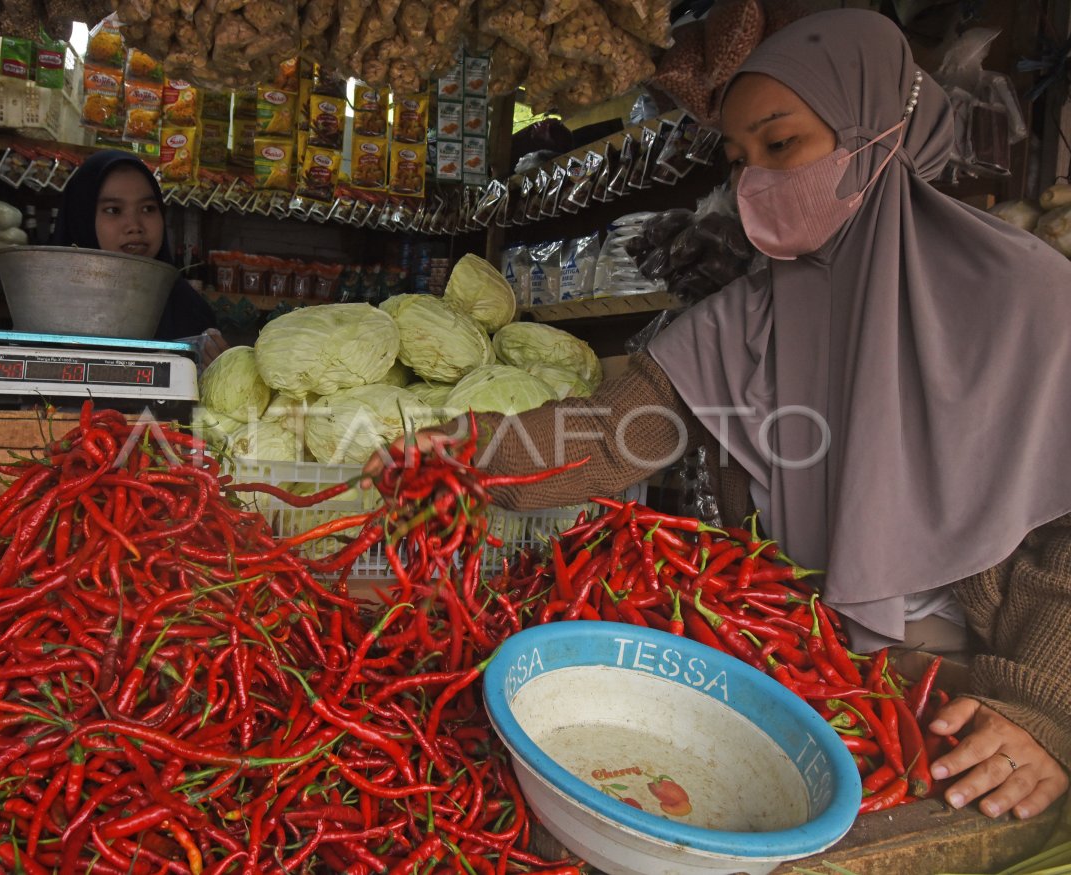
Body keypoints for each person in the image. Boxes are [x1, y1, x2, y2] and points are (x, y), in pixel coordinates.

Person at [368, 9, 1071, 820]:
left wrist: (1046, 708)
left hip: (988, 718)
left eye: (781, 146)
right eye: (740, 161)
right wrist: (457, 452)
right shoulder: (747, 319)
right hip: (813, 691)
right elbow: (609, 434)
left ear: (878, 128)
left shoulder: (1031, 302)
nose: (755, 183)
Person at [52, 149, 228, 365]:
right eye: (114, 210)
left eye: (148, 208)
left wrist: (217, 369)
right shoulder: (46, 307)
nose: (135, 226)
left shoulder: (189, 311)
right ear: (82, 218)